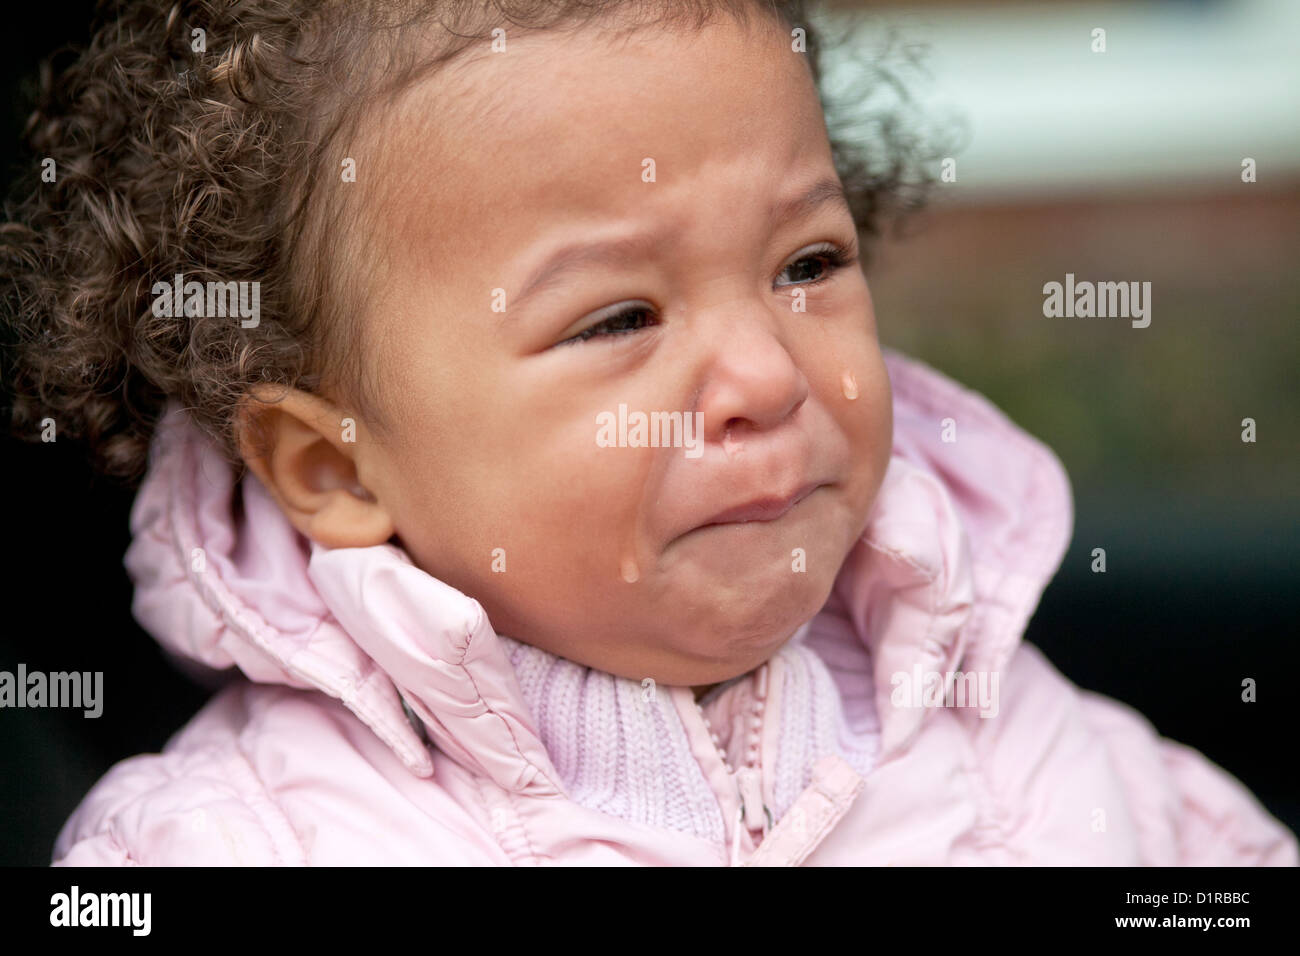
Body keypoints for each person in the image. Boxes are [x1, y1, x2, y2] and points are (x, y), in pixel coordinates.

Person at [4, 0, 1294, 865]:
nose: (763, 371)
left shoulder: (1034, 750)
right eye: (620, 315)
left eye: (805, 263)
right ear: (336, 466)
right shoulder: (232, 846)